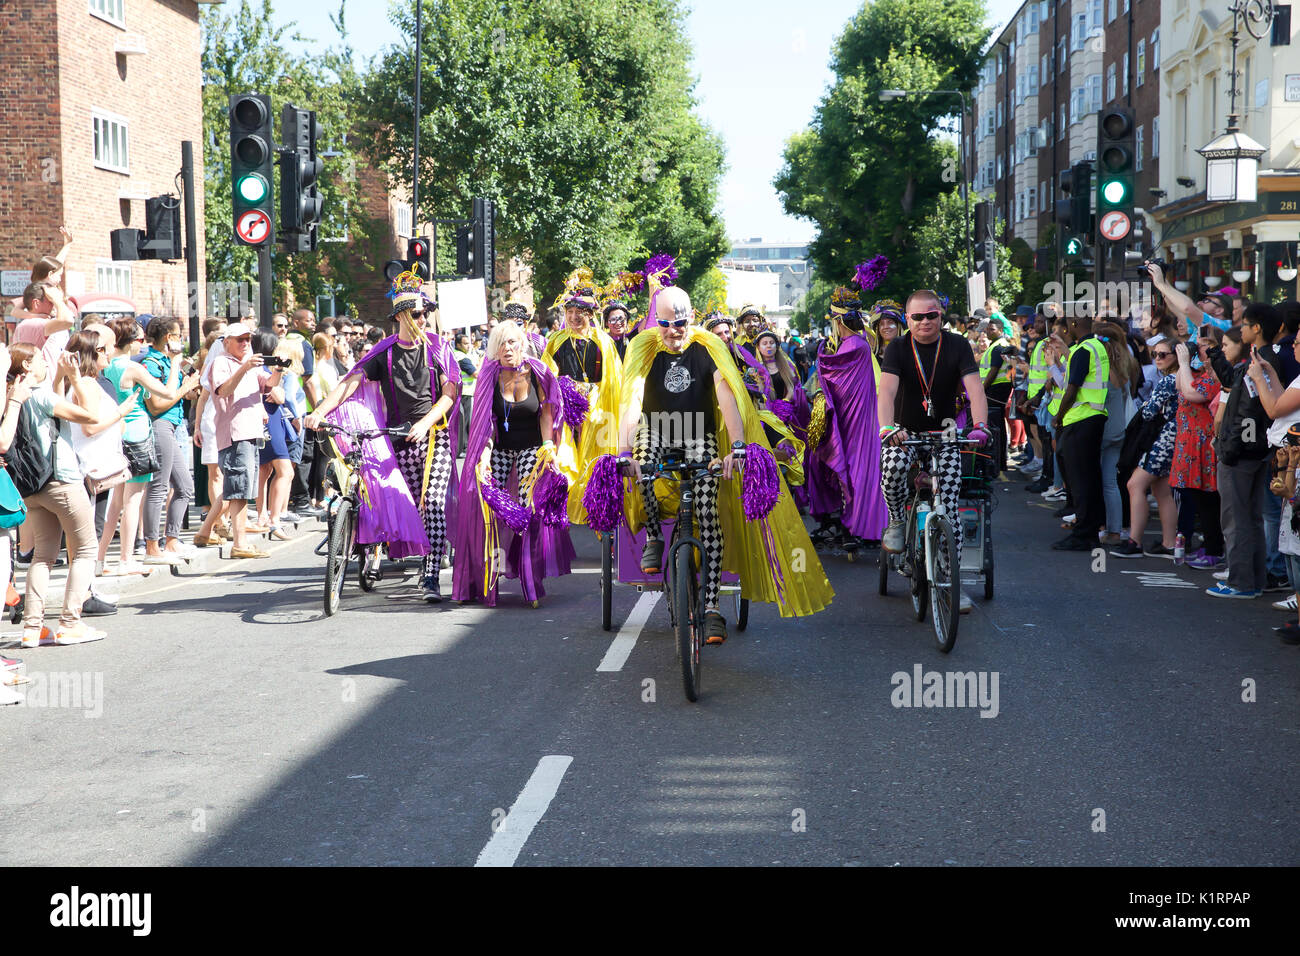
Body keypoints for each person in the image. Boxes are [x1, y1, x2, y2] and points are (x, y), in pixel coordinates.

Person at [613, 286, 832, 643]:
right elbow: (632, 397)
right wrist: (624, 450)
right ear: (656, 320)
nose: (672, 331)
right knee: (641, 464)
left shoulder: (707, 347)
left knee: (708, 513)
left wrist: (739, 446)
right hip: (655, 427)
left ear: (692, 318)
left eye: (680, 323)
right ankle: (654, 535)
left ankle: (712, 606)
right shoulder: (643, 345)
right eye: (665, 323)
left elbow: (726, 394)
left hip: (699, 433)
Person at [305, 274, 461, 602]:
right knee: (394, 502)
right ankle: (374, 552)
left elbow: (448, 395)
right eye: (417, 314)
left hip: (435, 437)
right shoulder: (384, 351)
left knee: (432, 504)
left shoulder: (438, 347)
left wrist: (426, 423)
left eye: (426, 313)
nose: (423, 319)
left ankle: (430, 576)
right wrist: (320, 410)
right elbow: (350, 383)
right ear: (401, 316)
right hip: (397, 439)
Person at [3, 343, 131, 647]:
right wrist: (74, 378)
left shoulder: (9, 398)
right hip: (62, 479)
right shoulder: (41, 396)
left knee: (43, 556)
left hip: (31, 487)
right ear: (27, 368)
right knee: (85, 549)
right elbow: (90, 415)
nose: (46, 365)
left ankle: (33, 628)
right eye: (40, 361)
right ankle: (70, 622)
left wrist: (60, 374)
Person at [878, 289, 989, 611]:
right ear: (907, 320)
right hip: (904, 432)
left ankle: (952, 585)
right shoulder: (897, 348)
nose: (925, 321)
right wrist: (887, 428)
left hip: (945, 433)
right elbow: (885, 392)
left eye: (932, 315)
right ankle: (897, 521)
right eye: (917, 317)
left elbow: (975, 388)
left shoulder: (957, 345)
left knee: (950, 507)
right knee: (894, 468)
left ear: (941, 315)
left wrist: (980, 425)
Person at [451, 322, 572, 607]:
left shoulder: (537, 372)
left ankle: (531, 582)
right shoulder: (489, 375)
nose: (507, 348)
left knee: (530, 510)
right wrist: (483, 457)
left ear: (523, 345)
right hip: (499, 449)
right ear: (495, 347)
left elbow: (546, 412)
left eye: (513, 343)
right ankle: (487, 579)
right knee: (488, 510)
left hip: (532, 447)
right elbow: (484, 425)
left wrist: (548, 447)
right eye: (502, 343)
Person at [96, 317, 193, 574]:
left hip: (115, 433)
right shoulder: (133, 368)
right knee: (133, 500)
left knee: (115, 502)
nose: (145, 344)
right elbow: (168, 394)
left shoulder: (105, 366)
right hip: (137, 434)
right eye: (141, 340)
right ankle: (127, 558)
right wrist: (174, 363)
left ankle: (100, 559)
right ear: (131, 342)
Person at [542, 281, 622, 525]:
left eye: (580, 313)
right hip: (564, 410)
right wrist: (565, 389)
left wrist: (592, 397)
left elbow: (613, 382)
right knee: (565, 459)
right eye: (570, 313)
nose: (574, 317)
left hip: (596, 411)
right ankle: (562, 512)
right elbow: (546, 376)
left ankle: (598, 515)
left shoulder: (604, 343)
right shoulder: (556, 340)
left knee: (595, 459)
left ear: (591, 314)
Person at [206, 322, 286, 559]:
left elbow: (269, 385)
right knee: (238, 491)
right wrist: (244, 368)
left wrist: (279, 370)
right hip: (235, 432)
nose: (245, 343)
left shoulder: (250, 362)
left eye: (248, 339)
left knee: (243, 490)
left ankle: (235, 540)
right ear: (226, 342)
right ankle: (239, 544)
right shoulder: (221, 362)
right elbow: (223, 391)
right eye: (240, 339)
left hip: (252, 432)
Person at [1110, 338, 1181, 558]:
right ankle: (1169, 543)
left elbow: (1150, 412)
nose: (1157, 359)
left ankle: (1134, 541)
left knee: (1134, 484)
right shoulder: (1183, 377)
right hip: (1175, 437)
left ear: (1177, 356)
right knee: (1161, 491)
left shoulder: (1169, 380)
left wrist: (1146, 406)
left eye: (1163, 354)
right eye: (1154, 354)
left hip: (1163, 439)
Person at [139, 316, 201, 564]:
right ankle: (151, 546)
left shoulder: (168, 361)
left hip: (173, 425)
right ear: (169, 338)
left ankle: (172, 540)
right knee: (159, 487)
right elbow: (155, 406)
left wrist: (189, 386)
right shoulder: (151, 364)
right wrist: (185, 389)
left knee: (185, 487)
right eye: (178, 334)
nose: (182, 339)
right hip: (160, 425)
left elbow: (177, 395)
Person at [1048, 314, 1111, 551]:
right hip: (1092, 418)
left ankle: (1084, 534)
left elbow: (1072, 387)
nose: (1066, 331)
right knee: (1090, 480)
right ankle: (1091, 530)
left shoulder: (1083, 349)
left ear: (1074, 325)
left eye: (1067, 326)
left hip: (1081, 419)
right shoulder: (1096, 347)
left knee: (1081, 481)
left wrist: (1058, 416)